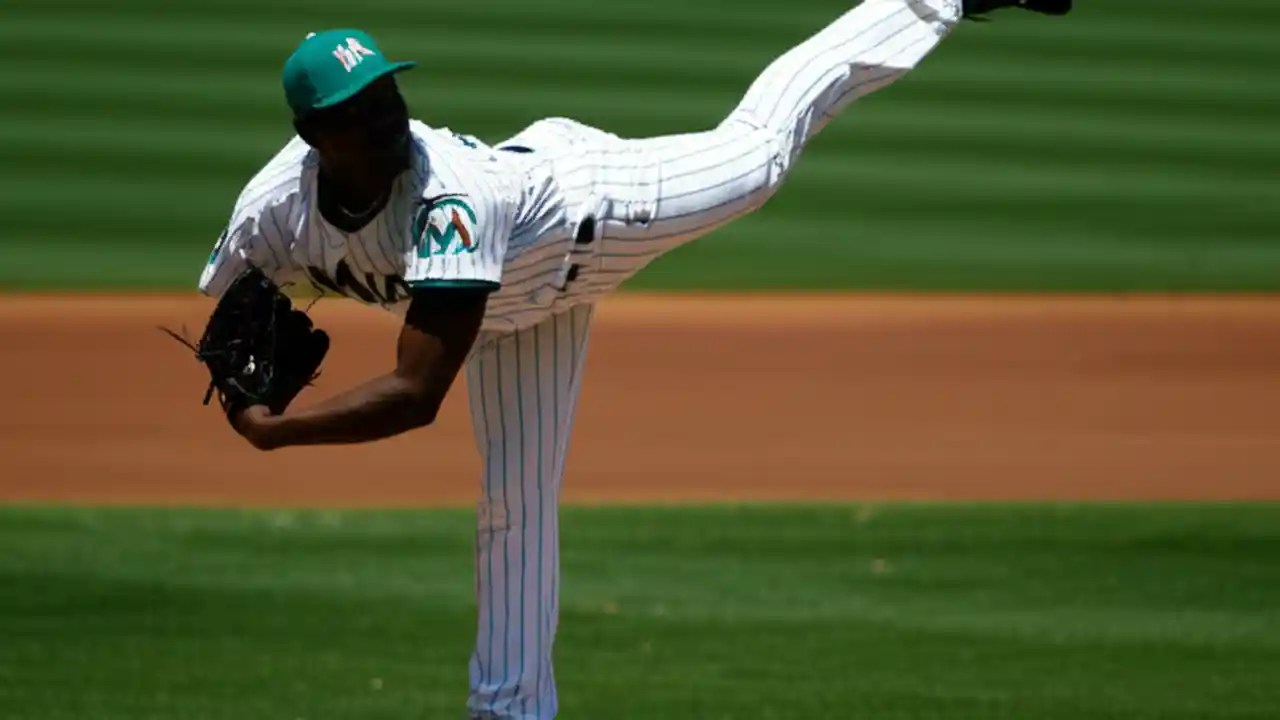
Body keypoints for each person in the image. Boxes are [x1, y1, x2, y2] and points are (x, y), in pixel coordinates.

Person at [197, 1, 1071, 716]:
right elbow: (225, 315)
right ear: (316, 135)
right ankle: (509, 711)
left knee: (761, 157)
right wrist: (232, 380)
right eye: (364, 111)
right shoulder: (271, 212)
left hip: (591, 216)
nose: (391, 119)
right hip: (506, 311)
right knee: (516, 503)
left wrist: (281, 432)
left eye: (390, 95)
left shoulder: (448, 199)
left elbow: (417, 392)